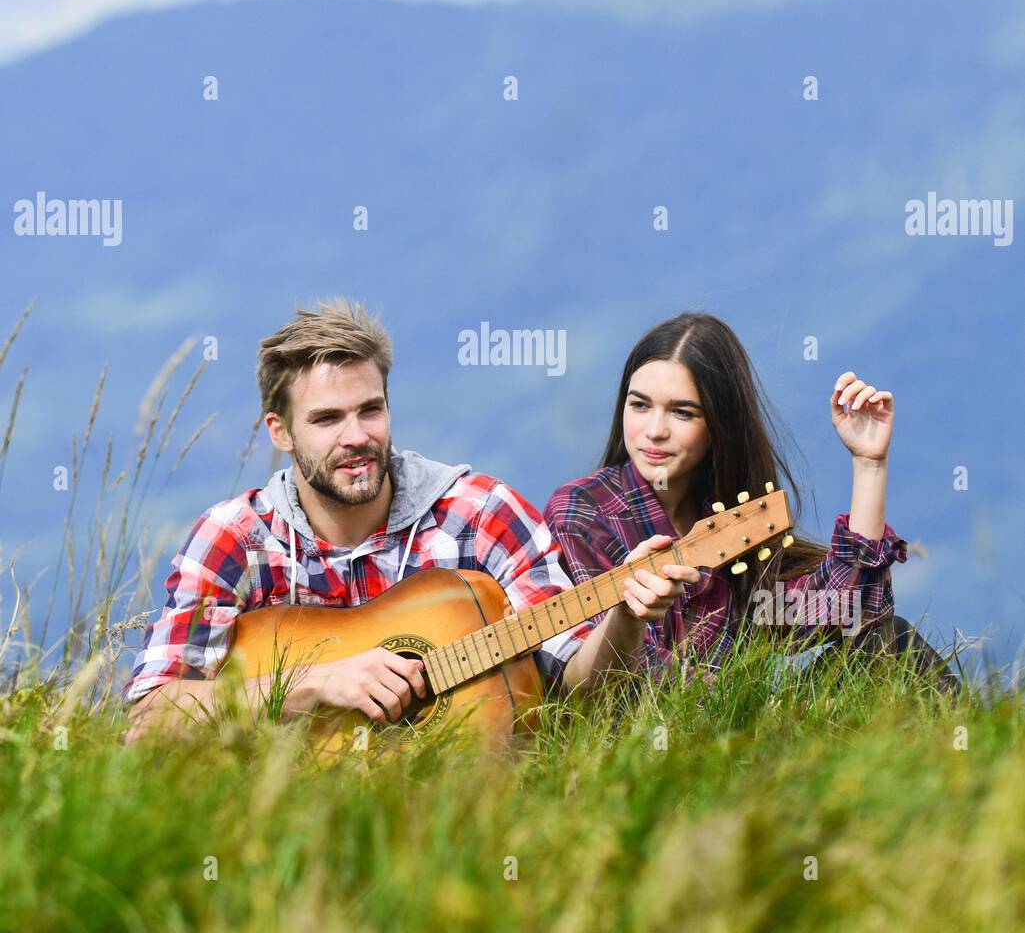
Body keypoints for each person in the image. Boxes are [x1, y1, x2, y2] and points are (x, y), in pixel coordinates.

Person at [122, 298, 601, 743]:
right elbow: (148, 721)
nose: (356, 436)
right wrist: (312, 684)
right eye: (327, 419)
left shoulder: (484, 515)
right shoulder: (234, 539)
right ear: (281, 432)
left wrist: (627, 616)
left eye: (370, 410)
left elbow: (579, 687)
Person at [543, 312, 959, 698]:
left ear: (719, 426)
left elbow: (852, 611)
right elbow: (612, 688)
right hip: (652, 747)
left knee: (892, 643)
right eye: (639, 405)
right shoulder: (583, 512)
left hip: (740, 732)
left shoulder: (730, 519)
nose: (654, 431)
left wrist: (869, 464)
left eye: (682, 413)